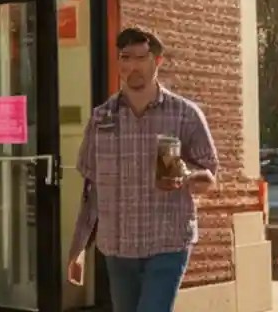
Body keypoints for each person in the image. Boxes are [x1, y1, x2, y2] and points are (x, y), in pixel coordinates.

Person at [67, 27, 218, 312]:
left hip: (167, 242)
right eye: (125, 58)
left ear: (157, 61)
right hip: (118, 245)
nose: (132, 66)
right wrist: (78, 249)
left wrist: (187, 177)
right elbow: (91, 190)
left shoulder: (184, 114)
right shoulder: (101, 118)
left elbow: (209, 174)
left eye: (141, 58)